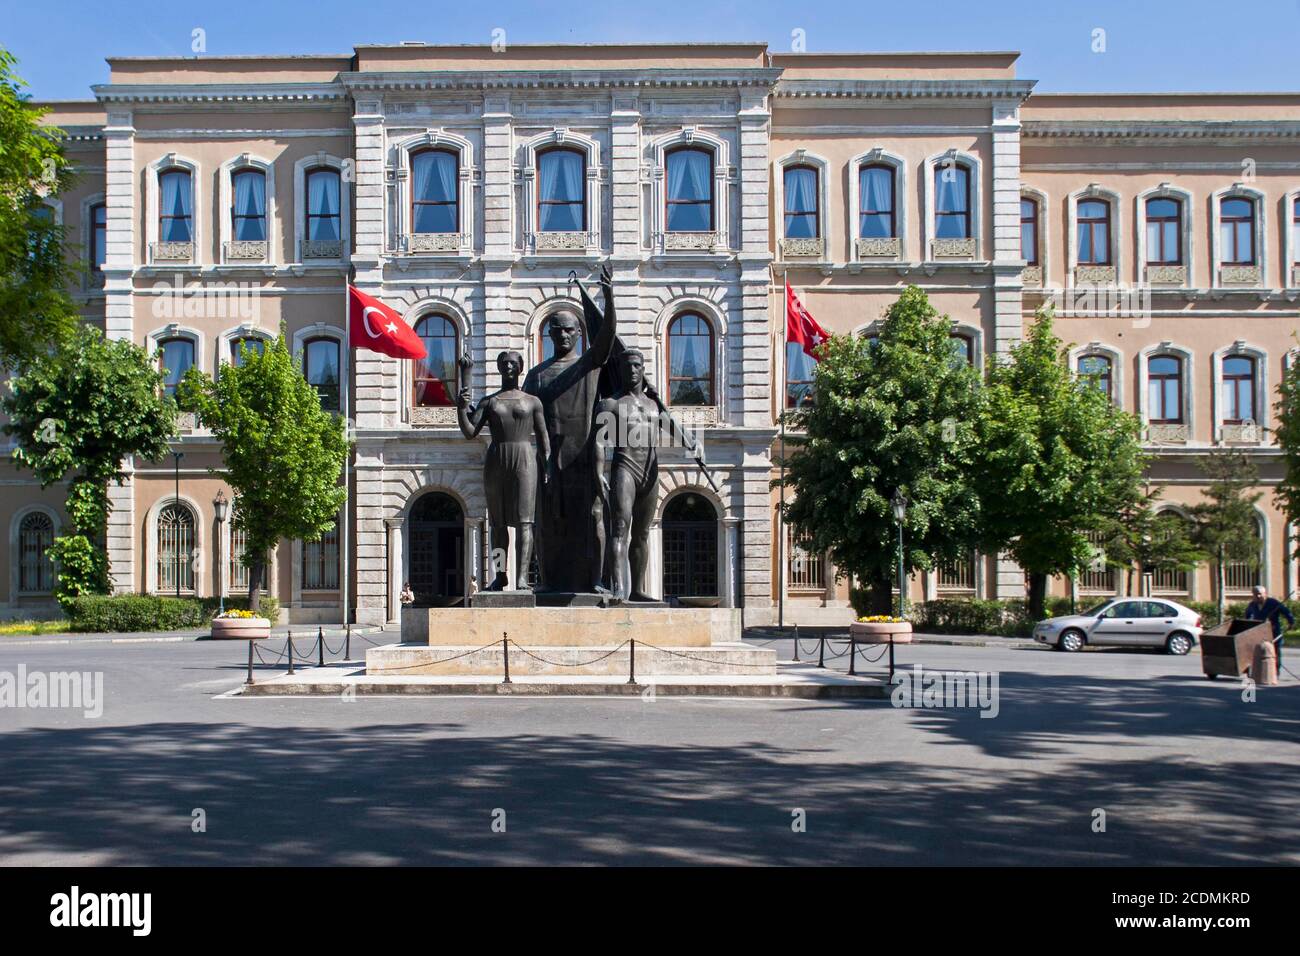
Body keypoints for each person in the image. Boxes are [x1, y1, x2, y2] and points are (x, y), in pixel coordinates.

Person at [457, 350, 550, 591]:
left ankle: (521, 577)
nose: (508, 366)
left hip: (525, 460)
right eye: (504, 363)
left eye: (513, 363)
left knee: (525, 522)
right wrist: (461, 407)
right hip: (496, 460)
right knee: (497, 524)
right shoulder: (490, 402)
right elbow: (470, 432)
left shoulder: (533, 401)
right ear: (499, 368)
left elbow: (543, 438)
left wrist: (547, 465)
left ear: (520, 368)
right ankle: (500, 575)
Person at [1244, 585, 1294, 668]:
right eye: (1255, 594)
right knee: (1259, 653)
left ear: (1265, 594)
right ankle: (1260, 672)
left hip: (1274, 633)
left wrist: (1291, 622)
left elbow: (1286, 612)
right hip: (1259, 633)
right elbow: (1247, 615)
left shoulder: (1273, 603)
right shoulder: (1252, 605)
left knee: (1275, 653)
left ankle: (1275, 673)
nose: (1258, 596)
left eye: (1260, 594)